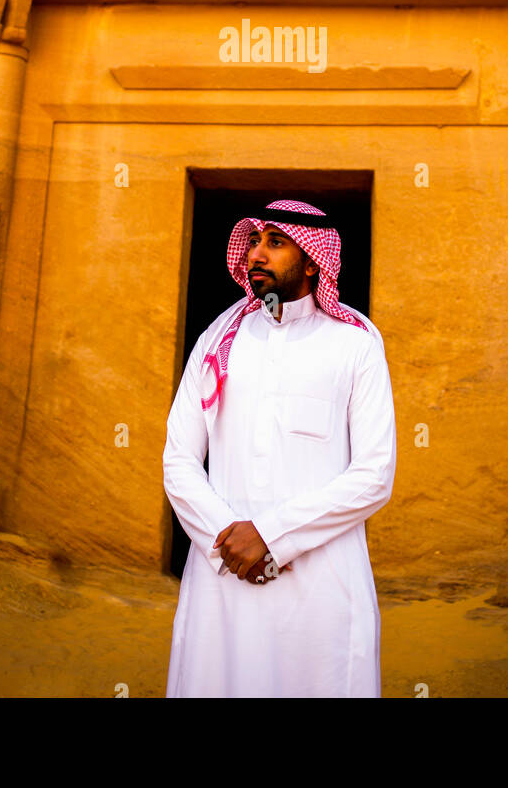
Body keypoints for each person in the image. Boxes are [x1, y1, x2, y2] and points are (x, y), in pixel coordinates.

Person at [163, 198, 397, 698]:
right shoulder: (218, 340)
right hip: (222, 573)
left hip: (320, 583)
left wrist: (271, 535)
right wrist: (229, 541)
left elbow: (374, 474)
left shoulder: (355, 343)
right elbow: (179, 459)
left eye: (275, 242)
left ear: (313, 262)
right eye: (252, 242)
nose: (256, 254)